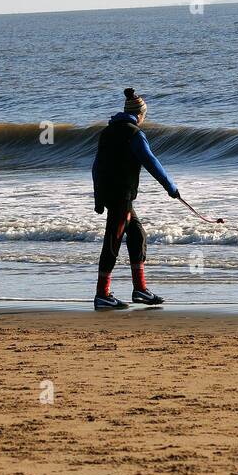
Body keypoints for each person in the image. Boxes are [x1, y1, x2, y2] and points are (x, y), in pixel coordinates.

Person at [91, 88, 179, 309]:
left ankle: (140, 290)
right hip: (121, 196)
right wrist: (171, 187)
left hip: (114, 195)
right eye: (144, 114)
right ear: (140, 114)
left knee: (137, 234)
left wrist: (98, 197)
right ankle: (102, 294)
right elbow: (151, 162)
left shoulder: (107, 132)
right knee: (113, 241)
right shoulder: (134, 134)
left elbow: (96, 167)